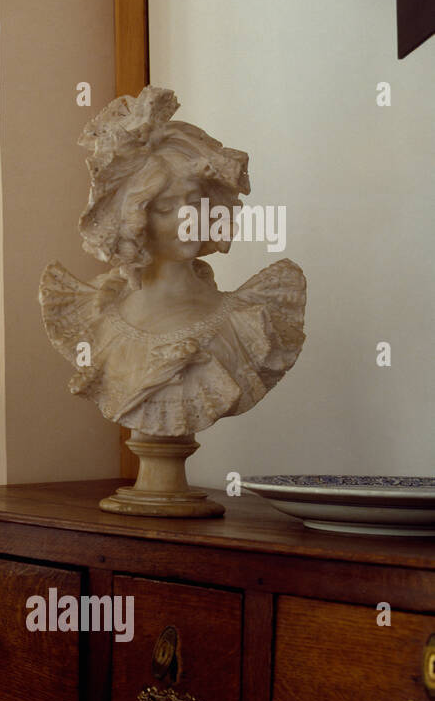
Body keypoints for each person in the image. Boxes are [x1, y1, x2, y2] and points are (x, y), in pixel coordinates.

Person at [40, 86, 306, 438]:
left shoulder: (248, 320)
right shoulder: (97, 321)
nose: (187, 219)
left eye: (195, 202)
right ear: (134, 221)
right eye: (165, 208)